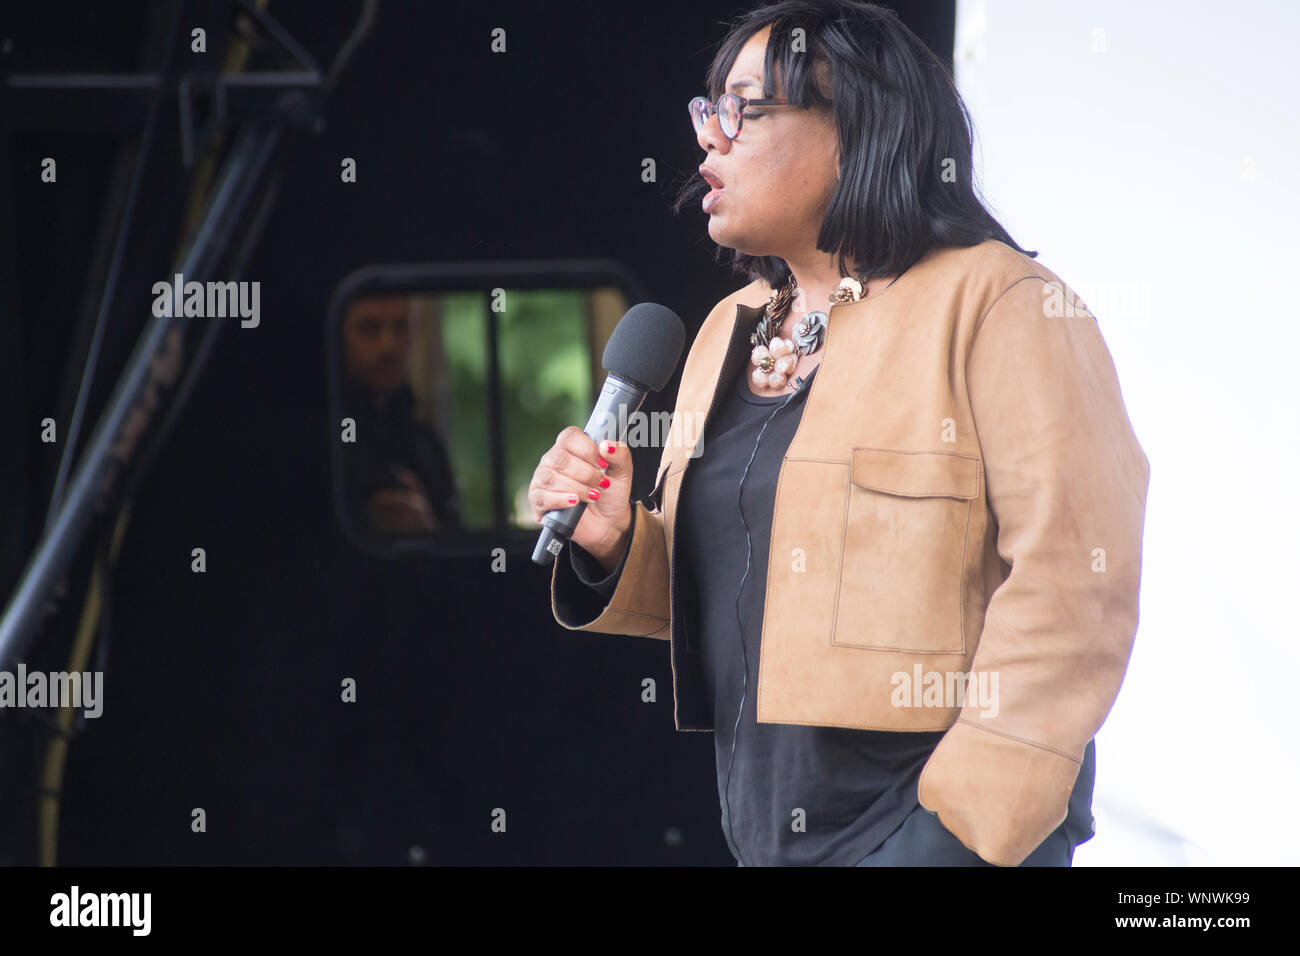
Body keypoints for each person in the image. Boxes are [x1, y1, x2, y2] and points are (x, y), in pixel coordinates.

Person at [530, 0, 1148, 866]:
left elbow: (1075, 585)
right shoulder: (728, 328)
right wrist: (619, 542)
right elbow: (762, 591)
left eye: (744, 108)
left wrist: (957, 832)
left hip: (940, 838)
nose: (711, 136)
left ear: (856, 126)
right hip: (771, 838)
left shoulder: (1000, 305)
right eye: (709, 110)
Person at [340, 293, 463, 537]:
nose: (388, 344)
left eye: (401, 326)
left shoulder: (424, 443)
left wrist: (425, 529)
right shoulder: (322, 438)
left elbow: (454, 539)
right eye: (369, 329)